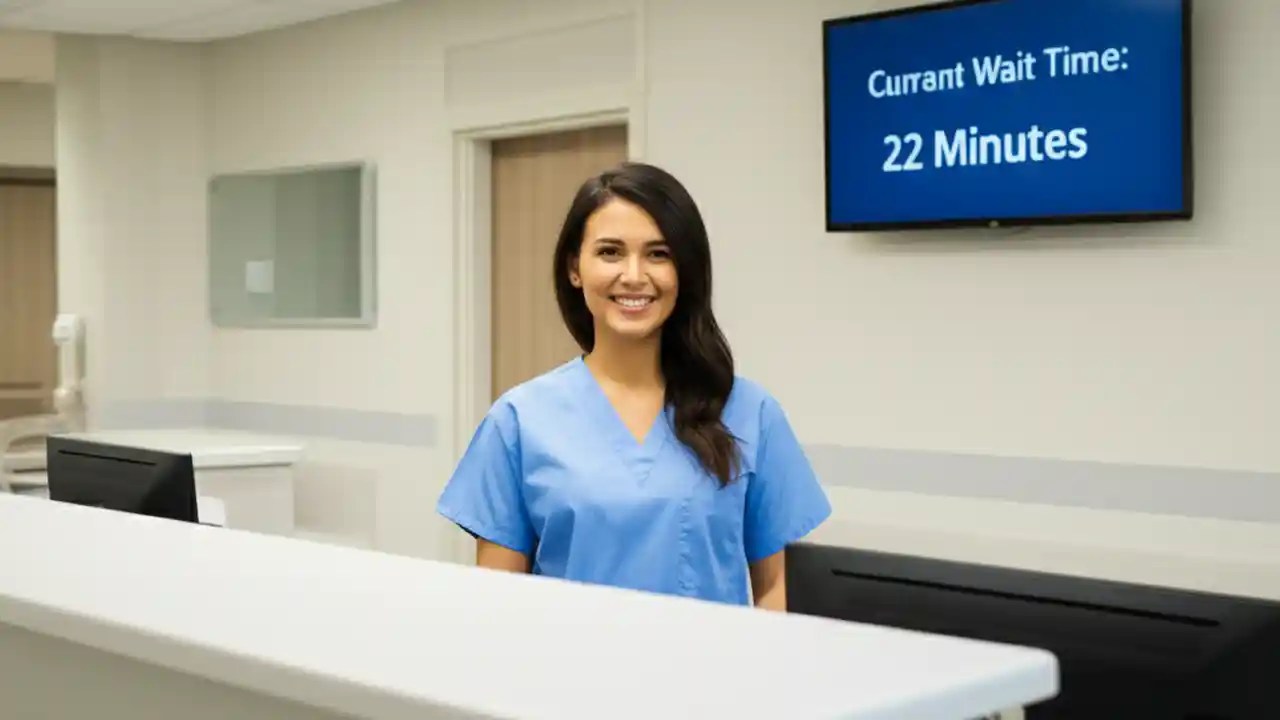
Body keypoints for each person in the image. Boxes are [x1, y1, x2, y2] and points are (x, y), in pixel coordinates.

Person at [436, 161, 831, 610]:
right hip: (568, 673)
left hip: (712, 675)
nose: (634, 275)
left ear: (685, 270)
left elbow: (774, 589)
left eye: (659, 254)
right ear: (574, 269)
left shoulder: (749, 413)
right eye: (610, 252)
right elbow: (496, 602)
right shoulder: (520, 421)